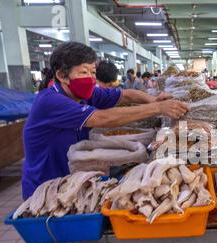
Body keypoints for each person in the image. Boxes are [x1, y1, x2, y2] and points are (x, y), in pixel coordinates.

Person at [22, 41, 189, 200]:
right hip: (46, 187)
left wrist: (154, 100)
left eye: (93, 72)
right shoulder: (50, 101)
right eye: (83, 72)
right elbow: (101, 118)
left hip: (73, 180)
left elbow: (125, 95)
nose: (91, 78)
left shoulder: (84, 95)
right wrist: (158, 109)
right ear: (62, 76)